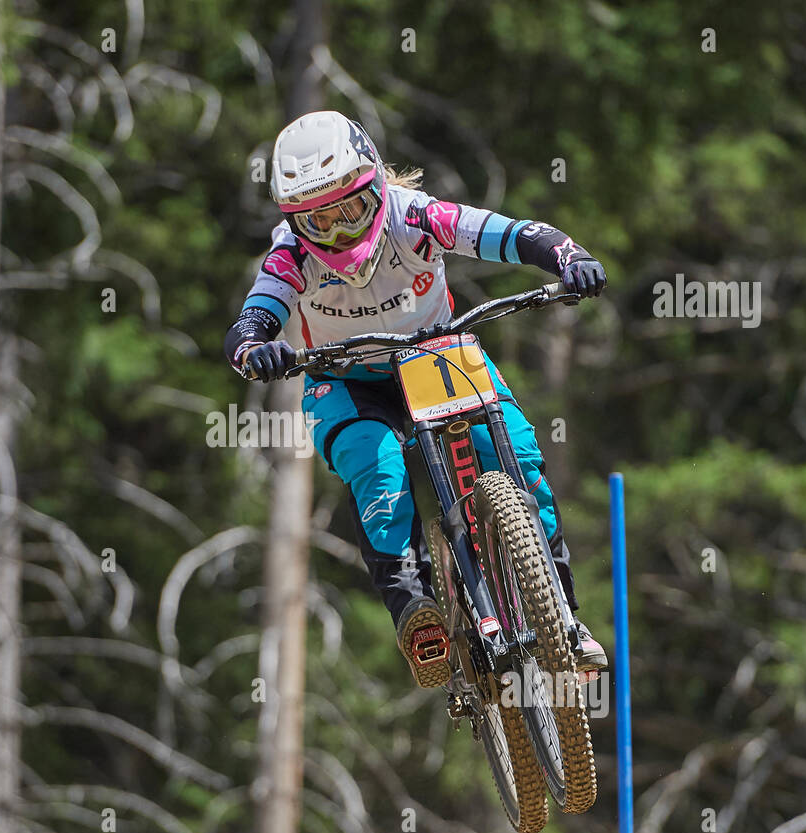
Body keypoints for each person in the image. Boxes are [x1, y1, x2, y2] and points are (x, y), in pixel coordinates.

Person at [224, 110, 608, 689]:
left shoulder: (418, 217)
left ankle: (562, 617)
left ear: (375, 188)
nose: (337, 235)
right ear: (295, 224)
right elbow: (252, 320)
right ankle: (416, 614)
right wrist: (255, 348)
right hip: (345, 378)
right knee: (375, 464)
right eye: (317, 222)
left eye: (347, 212)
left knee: (517, 454)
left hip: (434, 354)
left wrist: (568, 257)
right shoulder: (290, 256)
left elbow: (512, 233)